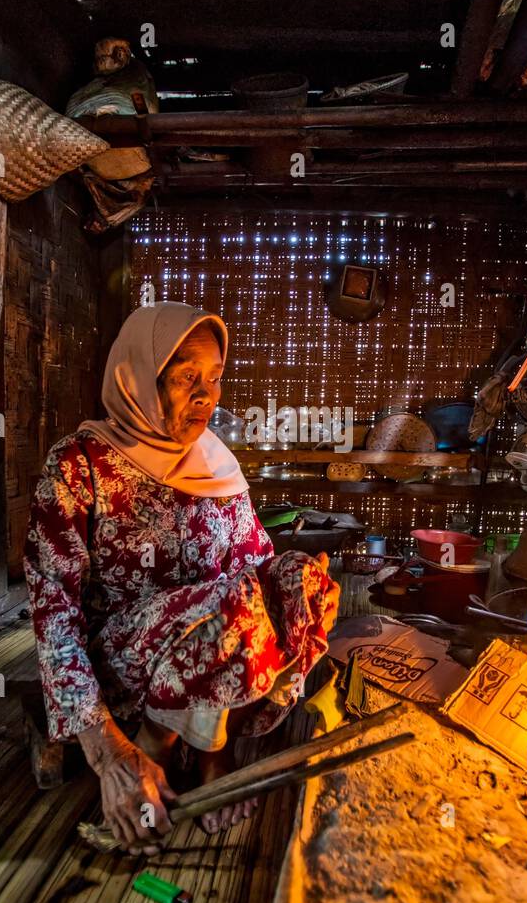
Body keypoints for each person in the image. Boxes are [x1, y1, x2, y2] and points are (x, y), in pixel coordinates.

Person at [24, 301, 339, 851]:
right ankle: (152, 748)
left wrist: (302, 584)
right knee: (232, 600)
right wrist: (107, 753)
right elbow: (55, 618)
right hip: (123, 668)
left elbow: (257, 564)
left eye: (215, 379)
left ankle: (212, 744)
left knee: (296, 580)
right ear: (139, 375)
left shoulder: (215, 462)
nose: (206, 396)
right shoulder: (78, 466)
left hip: (208, 647)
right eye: (186, 377)